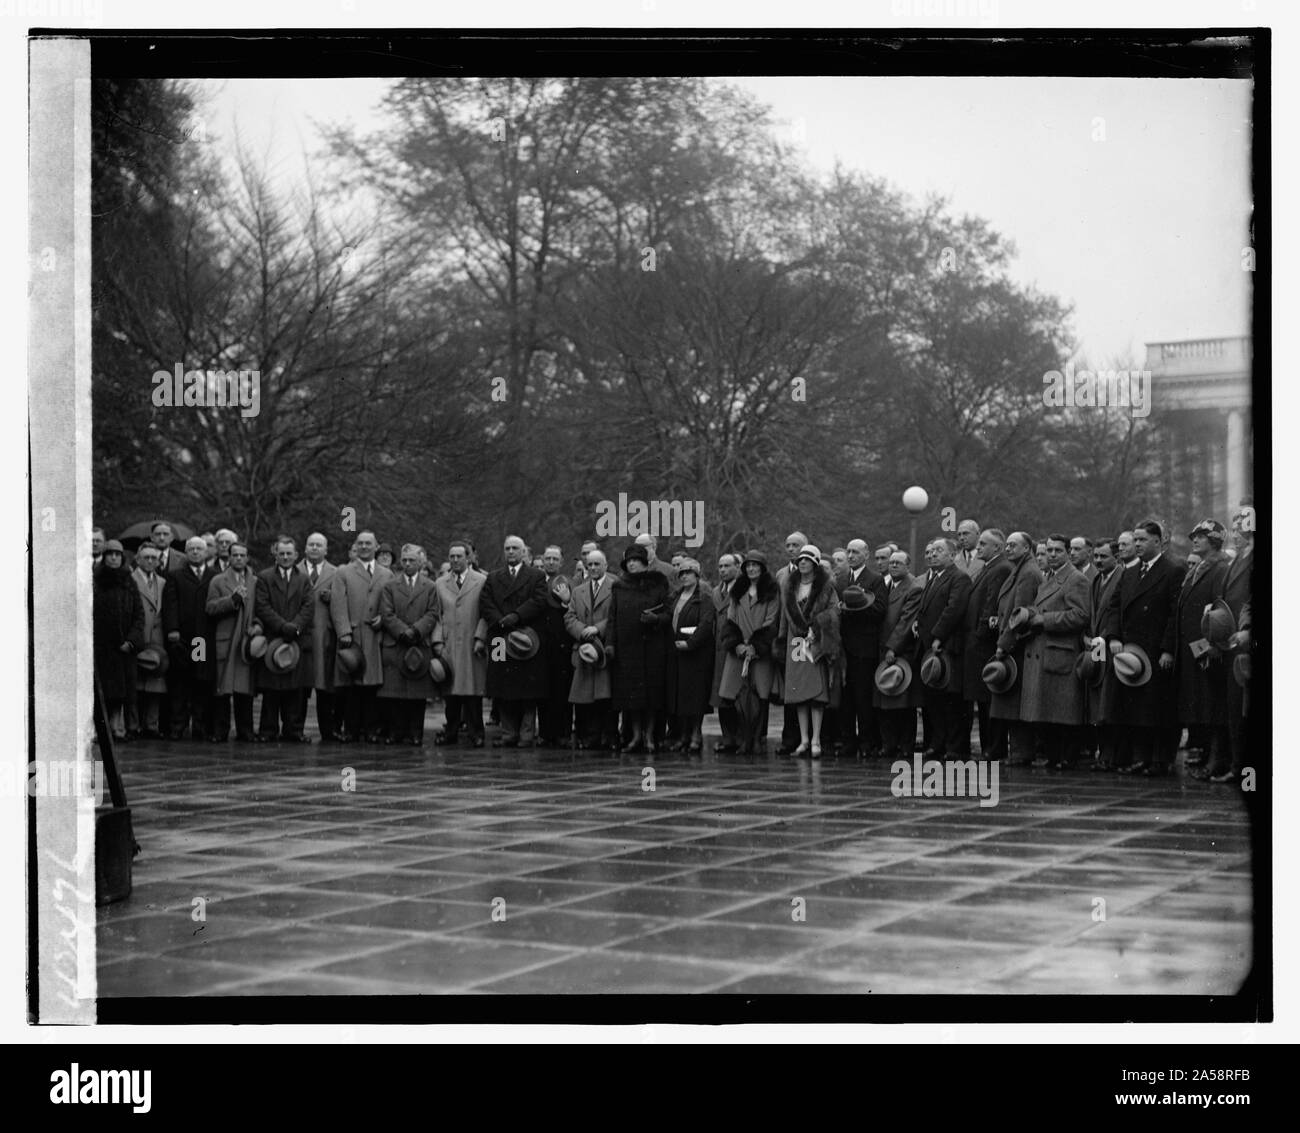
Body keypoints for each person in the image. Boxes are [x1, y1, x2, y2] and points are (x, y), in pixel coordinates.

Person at [1102, 520, 1184, 777]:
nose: (1137, 544)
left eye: (1143, 540)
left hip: (1155, 651)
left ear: (1158, 542)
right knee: (1134, 707)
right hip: (1131, 653)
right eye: (1135, 539)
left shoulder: (1172, 571)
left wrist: (1168, 649)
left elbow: (1175, 615)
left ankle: (1159, 760)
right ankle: (1140, 757)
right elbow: (1114, 607)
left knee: (1156, 708)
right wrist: (1113, 636)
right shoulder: (1128, 573)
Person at [1014, 533, 1090, 769]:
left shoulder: (1075, 579)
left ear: (1068, 552)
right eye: (1049, 551)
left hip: (1060, 652)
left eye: (1058, 550)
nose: (1052, 555)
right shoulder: (1048, 577)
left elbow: (1080, 616)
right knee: (1047, 712)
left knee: (1062, 713)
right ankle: (1055, 756)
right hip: (1044, 649)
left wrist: (1044, 620)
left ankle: (1066, 758)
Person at [892, 537, 970, 757]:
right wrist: (918, 622)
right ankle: (938, 744)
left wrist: (937, 636)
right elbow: (927, 608)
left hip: (947, 647)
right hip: (928, 647)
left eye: (938, 551)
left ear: (952, 555)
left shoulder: (959, 578)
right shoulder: (932, 578)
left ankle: (955, 748)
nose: (932, 555)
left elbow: (953, 610)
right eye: (929, 551)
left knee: (951, 701)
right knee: (934, 701)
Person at [479, 534, 550, 747]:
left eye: (514, 548)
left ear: (523, 552)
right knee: (502, 687)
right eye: (507, 548)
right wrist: (500, 620)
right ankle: (508, 733)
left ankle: (526, 734)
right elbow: (485, 603)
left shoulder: (536, 576)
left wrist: (517, 616)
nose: (510, 552)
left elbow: (539, 601)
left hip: (527, 638)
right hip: (500, 638)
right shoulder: (493, 577)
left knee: (528, 689)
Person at [775, 545, 841, 758]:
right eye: (800, 559)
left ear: (815, 563)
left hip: (815, 642)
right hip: (795, 642)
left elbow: (834, 611)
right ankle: (803, 740)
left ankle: (816, 740)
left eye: (807, 559)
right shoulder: (789, 586)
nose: (802, 562)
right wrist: (782, 639)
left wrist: (817, 626)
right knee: (799, 693)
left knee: (816, 693)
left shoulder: (826, 587)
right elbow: (785, 616)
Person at [605, 543, 671, 753]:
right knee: (629, 696)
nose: (632, 564)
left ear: (645, 563)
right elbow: (612, 618)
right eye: (629, 561)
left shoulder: (658, 584)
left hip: (652, 648)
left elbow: (669, 614)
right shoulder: (619, 586)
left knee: (651, 696)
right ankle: (634, 736)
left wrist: (656, 619)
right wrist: (610, 643)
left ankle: (650, 736)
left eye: (636, 561)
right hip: (627, 649)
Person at [1177, 520, 1230, 779]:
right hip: (1194, 647)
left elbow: (1220, 609)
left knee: (1213, 706)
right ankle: (1209, 755)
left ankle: (1216, 760)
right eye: (1194, 536)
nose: (1195, 540)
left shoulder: (1220, 568)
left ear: (1214, 540)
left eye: (1201, 536)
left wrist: (1211, 645)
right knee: (1202, 705)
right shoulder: (1197, 568)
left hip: (1207, 647)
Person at [329, 531, 393, 742]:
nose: (364, 547)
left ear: (376, 547)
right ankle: (351, 730)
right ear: (356, 546)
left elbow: (391, 605)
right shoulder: (344, 572)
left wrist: (383, 620)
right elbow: (337, 604)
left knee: (373, 686)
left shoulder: (386, 574)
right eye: (361, 543)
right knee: (352, 686)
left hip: (375, 637)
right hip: (353, 636)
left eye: (369, 543)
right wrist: (344, 631)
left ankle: (371, 730)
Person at [1206, 505, 1254, 783]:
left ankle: (1244, 770)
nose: (1234, 532)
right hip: (1231, 642)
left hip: (1246, 642)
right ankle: (1237, 767)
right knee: (1234, 709)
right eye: (1234, 526)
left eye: (1239, 526)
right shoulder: (1236, 560)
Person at [717, 549, 781, 755]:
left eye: (756, 565)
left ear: (762, 568)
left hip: (759, 653)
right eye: (748, 566)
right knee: (734, 695)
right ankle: (741, 738)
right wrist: (737, 644)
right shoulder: (738, 590)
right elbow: (730, 617)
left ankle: (755, 739)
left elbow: (772, 620)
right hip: (738, 652)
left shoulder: (772, 590)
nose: (752, 569)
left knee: (760, 696)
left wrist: (756, 645)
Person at [989, 532, 1043, 765]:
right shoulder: (1019, 569)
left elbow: (1019, 614)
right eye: (1007, 545)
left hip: (1018, 647)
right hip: (1013, 645)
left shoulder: (1028, 573)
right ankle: (1019, 752)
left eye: (1013, 545)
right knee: (1011, 702)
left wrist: (1004, 645)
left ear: (1027, 548)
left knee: (1017, 702)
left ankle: (1022, 753)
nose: (1008, 549)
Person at [254, 535, 315, 742]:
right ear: (275, 554)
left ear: (296, 555)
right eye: (282, 553)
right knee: (271, 690)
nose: (286, 557)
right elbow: (262, 606)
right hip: (273, 640)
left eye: (290, 553)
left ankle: (294, 730)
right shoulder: (264, 577)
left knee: (295, 690)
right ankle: (268, 730)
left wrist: (295, 627)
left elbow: (308, 607)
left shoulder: (304, 578)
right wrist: (282, 626)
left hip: (296, 641)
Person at [378, 544, 440, 745]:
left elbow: (432, 613)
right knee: (396, 693)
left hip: (419, 644)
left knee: (417, 694)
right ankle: (396, 732)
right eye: (404, 560)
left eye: (411, 560)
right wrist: (402, 631)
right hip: (396, 643)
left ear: (420, 562)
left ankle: (416, 733)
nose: (407, 564)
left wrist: (416, 630)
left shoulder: (430, 586)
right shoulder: (390, 586)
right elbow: (387, 614)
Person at [959, 529, 1013, 759]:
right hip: (977, 643)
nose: (978, 547)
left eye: (983, 544)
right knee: (983, 702)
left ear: (997, 548)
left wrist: (978, 635)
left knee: (988, 701)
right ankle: (988, 747)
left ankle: (993, 748)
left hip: (983, 645)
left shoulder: (999, 568)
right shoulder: (989, 566)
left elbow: (991, 606)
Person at [834, 538, 888, 759]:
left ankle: (868, 742)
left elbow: (879, 609)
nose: (851, 555)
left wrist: (855, 606)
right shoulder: (841, 580)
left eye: (856, 552)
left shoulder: (874, 580)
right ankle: (848, 741)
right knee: (845, 698)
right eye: (848, 551)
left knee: (864, 697)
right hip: (844, 646)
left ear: (866, 554)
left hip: (864, 647)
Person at [432, 540, 488, 747]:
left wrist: (481, 637)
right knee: (450, 693)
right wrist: (437, 640)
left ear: (468, 558)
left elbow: (486, 613)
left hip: (471, 643)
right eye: (452, 557)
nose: (455, 560)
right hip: (448, 643)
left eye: (459, 556)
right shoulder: (440, 583)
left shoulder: (481, 581)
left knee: (473, 693)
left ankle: (476, 732)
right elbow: (436, 614)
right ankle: (451, 731)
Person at [206, 541, 259, 742]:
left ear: (247, 558)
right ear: (229, 557)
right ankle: (220, 731)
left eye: (242, 555)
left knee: (244, 690)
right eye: (234, 555)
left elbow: (260, 609)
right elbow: (209, 608)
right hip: (225, 640)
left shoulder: (255, 581)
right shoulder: (218, 581)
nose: (238, 558)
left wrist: (258, 626)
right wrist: (232, 601)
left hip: (245, 642)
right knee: (222, 689)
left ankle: (245, 730)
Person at [162, 535, 214, 740]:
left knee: (200, 682)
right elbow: (170, 604)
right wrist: (172, 629)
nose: (195, 552)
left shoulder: (213, 575)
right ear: (185, 552)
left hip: (201, 640)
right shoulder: (175, 576)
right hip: (182, 639)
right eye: (191, 549)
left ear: (206, 552)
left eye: (199, 549)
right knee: (180, 683)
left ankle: (199, 726)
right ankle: (177, 726)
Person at [565, 548, 616, 751]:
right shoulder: (578, 591)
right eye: (590, 565)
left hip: (604, 650)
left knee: (605, 697)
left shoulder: (616, 588)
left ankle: (609, 736)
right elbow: (569, 617)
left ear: (605, 566)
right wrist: (582, 630)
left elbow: (615, 616)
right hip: (584, 650)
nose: (593, 568)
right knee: (585, 698)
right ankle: (589, 736)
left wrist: (598, 628)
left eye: (597, 564)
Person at [875, 550, 924, 760]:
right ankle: (889, 744)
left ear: (907, 566)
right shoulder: (886, 586)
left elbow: (906, 621)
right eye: (891, 562)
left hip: (900, 652)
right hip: (884, 650)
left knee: (904, 704)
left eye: (898, 563)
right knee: (886, 701)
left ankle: (905, 745)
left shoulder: (912, 588)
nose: (893, 566)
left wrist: (893, 648)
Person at [664, 558, 716, 753]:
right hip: (676, 652)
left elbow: (706, 624)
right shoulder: (675, 597)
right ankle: (683, 734)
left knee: (695, 696)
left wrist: (691, 643)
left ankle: (696, 734)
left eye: (689, 572)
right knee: (680, 695)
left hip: (696, 653)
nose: (684, 576)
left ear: (697, 575)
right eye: (682, 573)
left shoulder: (704, 598)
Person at [93, 540, 143, 741]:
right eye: (110, 554)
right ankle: (100, 730)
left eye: (117, 554)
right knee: (102, 692)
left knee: (122, 692)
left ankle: (117, 727)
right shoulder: (95, 581)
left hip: (124, 648)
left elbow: (139, 614)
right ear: (104, 557)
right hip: (102, 648)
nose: (114, 557)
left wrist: (131, 640)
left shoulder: (129, 581)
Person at [1083, 537, 1125, 770]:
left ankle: (1111, 755)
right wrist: (1088, 637)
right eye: (1096, 556)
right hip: (1096, 647)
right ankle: (1104, 754)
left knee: (1109, 703)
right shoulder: (1096, 580)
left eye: (1103, 556)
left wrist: (1105, 637)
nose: (1098, 560)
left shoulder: (1122, 578)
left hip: (1111, 647)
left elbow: (1116, 613)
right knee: (1097, 699)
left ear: (1116, 558)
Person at [299, 532, 342, 742]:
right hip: (301, 637)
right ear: (305, 548)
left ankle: (329, 730)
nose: (314, 548)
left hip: (326, 636)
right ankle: (295, 728)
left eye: (319, 545)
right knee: (300, 687)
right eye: (311, 544)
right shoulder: (295, 571)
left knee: (326, 687)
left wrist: (333, 598)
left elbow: (345, 601)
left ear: (326, 550)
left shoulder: (336, 573)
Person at [129, 543, 168, 738]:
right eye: (146, 557)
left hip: (157, 639)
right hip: (138, 636)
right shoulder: (131, 580)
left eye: (154, 558)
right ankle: (133, 725)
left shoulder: (162, 582)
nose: (150, 561)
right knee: (135, 684)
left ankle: (151, 725)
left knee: (155, 682)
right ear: (138, 559)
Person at [538, 545, 575, 747]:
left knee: (563, 692)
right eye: (548, 558)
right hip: (542, 645)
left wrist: (566, 601)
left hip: (563, 644)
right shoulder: (536, 583)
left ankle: (563, 732)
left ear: (561, 562)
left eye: (555, 559)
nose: (551, 562)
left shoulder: (568, 583)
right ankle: (545, 732)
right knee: (544, 691)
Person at [709, 552, 742, 751]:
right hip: (717, 650)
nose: (723, 570)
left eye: (727, 566)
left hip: (734, 649)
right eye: (720, 566)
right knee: (721, 695)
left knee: (736, 695)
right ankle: (727, 737)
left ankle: (740, 737)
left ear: (737, 567)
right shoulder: (715, 592)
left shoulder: (744, 591)